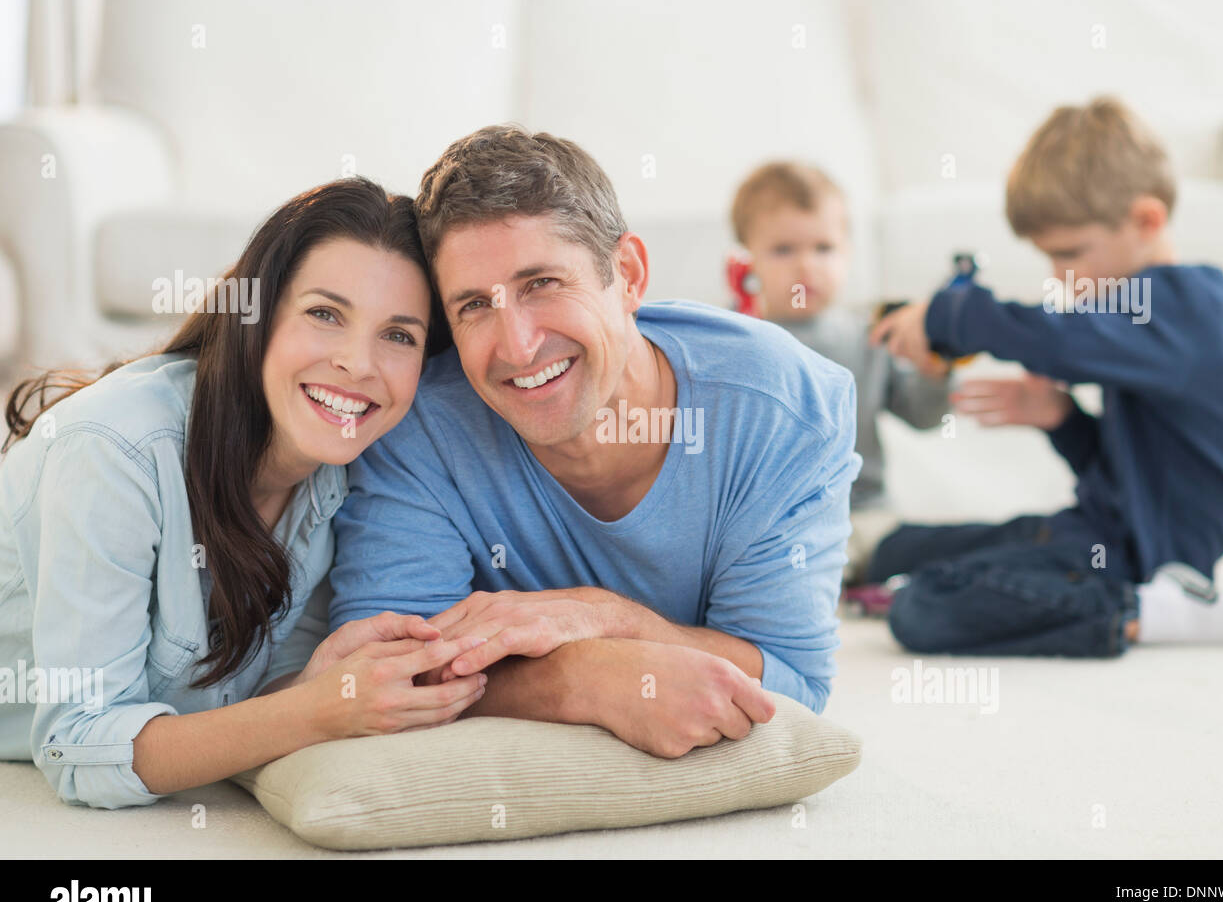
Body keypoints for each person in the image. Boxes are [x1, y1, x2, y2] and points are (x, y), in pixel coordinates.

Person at [328, 125, 863, 758]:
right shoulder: (420, 422)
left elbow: (792, 685)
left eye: (542, 284)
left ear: (629, 274)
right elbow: (387, 671)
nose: (518, 346)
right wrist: (581, 679)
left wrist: (605, 618)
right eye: (474, 305)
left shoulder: (784, 409)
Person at [0, 178, 487, 810]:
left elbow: (236, 702)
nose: (358, 364)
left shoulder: (349, 474)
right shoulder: (113, 452)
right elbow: (78, 747)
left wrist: (316, 682)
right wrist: (314, 711)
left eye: (399, 335)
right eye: (324, 314)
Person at [869, 97, 1223, 654]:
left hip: (1149, 555)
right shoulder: (1144, 314)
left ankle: (1154, 611)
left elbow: (1057, 339)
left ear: (1146, 221)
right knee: (894, 552)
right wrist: (1061, 419)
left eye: (1070, 253)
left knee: (923, 608)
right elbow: (1124, 476)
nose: (1060, 277)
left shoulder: (1178, 305)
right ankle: (892, 571)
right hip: (1097, 529)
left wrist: (949, 315)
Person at [729, 161, 951, 585]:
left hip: (862, 512)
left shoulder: (870, 335)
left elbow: (924, 417)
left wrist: (933, 370)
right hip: (767, 522)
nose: (806, 266)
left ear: (849, 251)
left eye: (824, 248)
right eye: (783, 250)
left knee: (884, 546)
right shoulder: (730, 339)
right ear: (746, 260)